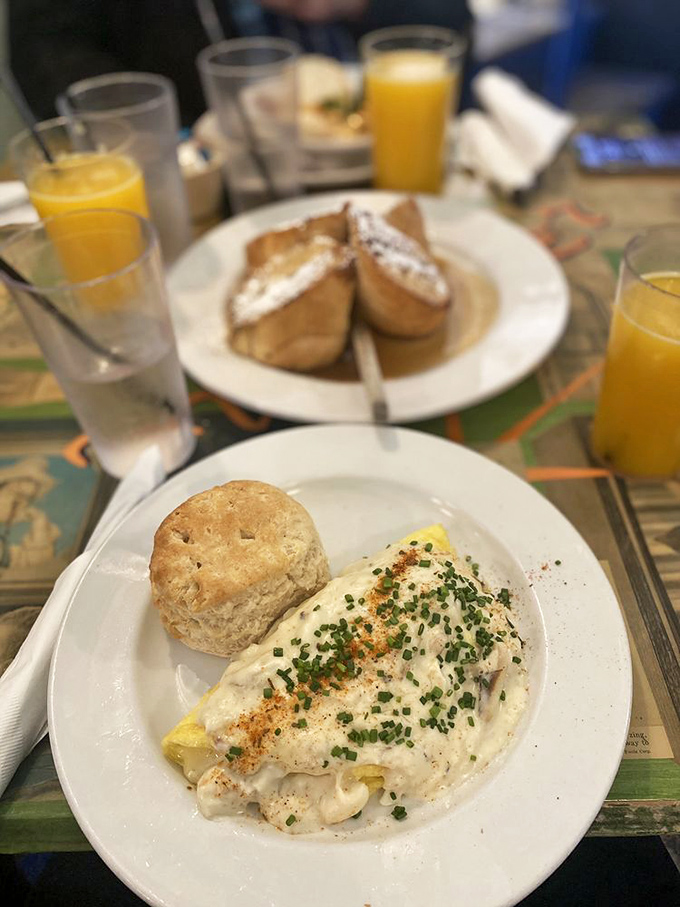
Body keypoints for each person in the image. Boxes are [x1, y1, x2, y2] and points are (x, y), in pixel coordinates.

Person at [8, 0, 471, 126]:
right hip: (214, 182)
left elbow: (453, 28)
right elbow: (44, 52)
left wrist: (357, 3)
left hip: (386, 143)